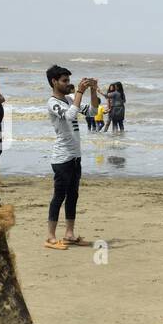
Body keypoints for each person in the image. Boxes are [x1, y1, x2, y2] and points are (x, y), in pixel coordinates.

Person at [43, 64, 97, 250]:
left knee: (73, 195)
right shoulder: (53, 103)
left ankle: (69, 234)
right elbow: (69, 115)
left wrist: (93, 91)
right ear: (54, 82)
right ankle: (50, 237)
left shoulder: (68, 99)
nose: (68, 84)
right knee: (59, 196)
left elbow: (92, 111)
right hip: (61, 158)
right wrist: (80, 92)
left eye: (68, 80)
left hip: (75, 156)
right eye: (64, 81)